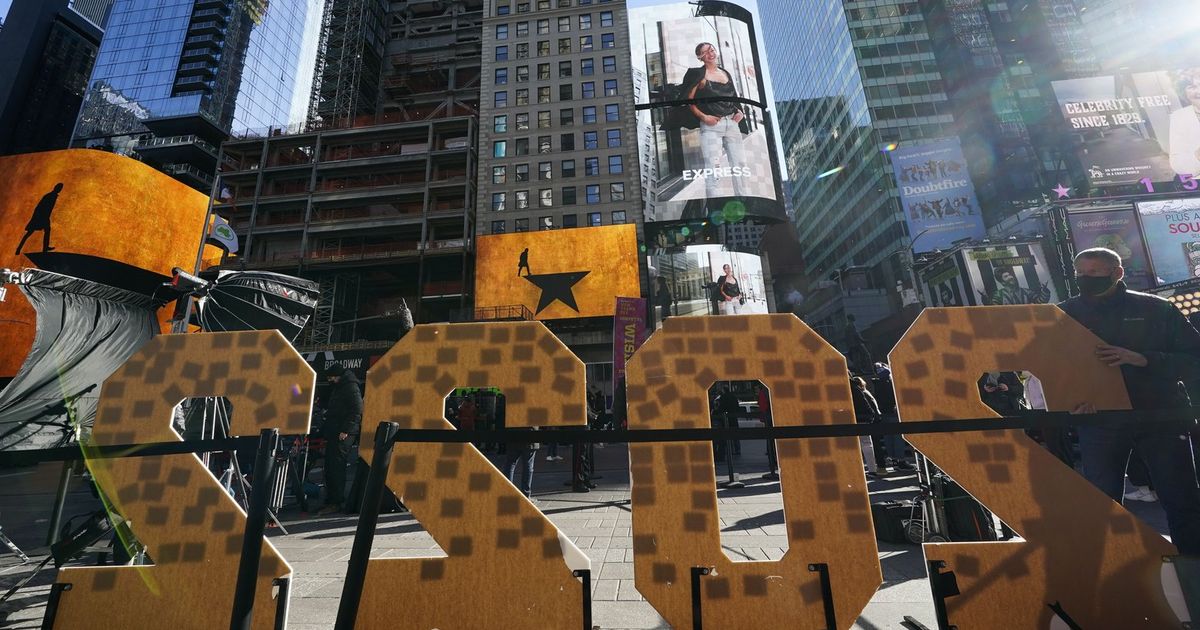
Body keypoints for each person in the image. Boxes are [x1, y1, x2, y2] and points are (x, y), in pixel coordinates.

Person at [1061, 247, 1200, 555]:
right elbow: (1050, 368)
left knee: (1181, 498)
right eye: (1081, 274)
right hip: (1100, 420)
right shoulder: (1063, 314)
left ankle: (1192, 569)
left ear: (1117, 272)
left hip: (1160, 417)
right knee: (1101, 503)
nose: (1086, 279)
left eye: (1095, 273)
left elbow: (1194, 359)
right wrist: (1071, 401)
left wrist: (1144, 359)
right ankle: (1114, 574)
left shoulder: (1157, 309)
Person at [683, 42, 749, 204]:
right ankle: (715, 206)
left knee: (739, 164)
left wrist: (739, 111)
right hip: (712, 126)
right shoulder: (699, 75)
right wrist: (704, 117)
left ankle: (745, 202)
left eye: (711, 49)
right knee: (713, 167)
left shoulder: (725, 72)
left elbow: (731, 96)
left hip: (731, 123)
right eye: (705, 52)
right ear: (700, 58)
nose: (710, 53)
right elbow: (687, 100)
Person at [320, 364, 362, 515]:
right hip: (338, 430)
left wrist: (346, 430)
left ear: (337, 376)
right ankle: (332, 499)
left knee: (336, 466)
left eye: (331, 377)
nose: (330, 380)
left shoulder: (349, 387)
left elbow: (357, 409)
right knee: (332, 465)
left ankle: (335, 500)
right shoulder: (343, 386)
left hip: (342, 433)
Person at [15, 183, 63, 256]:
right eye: (59, 188)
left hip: (44, 217)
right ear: (55, 187)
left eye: (60, 188)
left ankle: (45, 248)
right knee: (30, 232)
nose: (59, 189)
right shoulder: (49, 196)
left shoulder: (53, 196)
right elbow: (40, 207)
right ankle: (19, 248)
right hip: (40, 216)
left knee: (46, 231)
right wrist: (37, 218)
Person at [1168, 68, 1200, 177]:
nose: (1199, 91)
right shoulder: (1179, 117)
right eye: (1192, 87)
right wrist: (1198, 155)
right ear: (1183, 92)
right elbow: (1178, 165)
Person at [505, 426, 540, 499]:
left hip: (513, 434)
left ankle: (508, 492)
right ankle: (526, 495)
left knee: (510, 464)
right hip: (529, 434)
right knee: (528, 465)